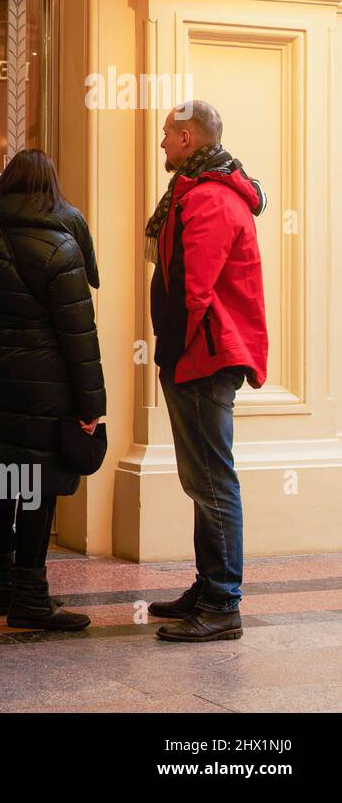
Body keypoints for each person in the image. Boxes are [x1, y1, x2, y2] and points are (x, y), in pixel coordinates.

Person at [0, 149, 106, 631]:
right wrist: (92, 407)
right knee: (38, 486)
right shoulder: (61, 250)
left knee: (0, 480)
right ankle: (31, 598)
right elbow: (80, 339)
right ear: (50, 191)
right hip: (45, 390)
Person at [146, 101, 267, 642]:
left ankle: (223, 602)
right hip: (201, 352)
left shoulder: (211, 199)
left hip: (205, 356)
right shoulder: (197, 192)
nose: (164, 143)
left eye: (169, 135)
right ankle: (208, 585)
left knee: (212, 482)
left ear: (190, 138)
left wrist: (173, 350)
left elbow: (192, 288)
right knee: (203, 481)